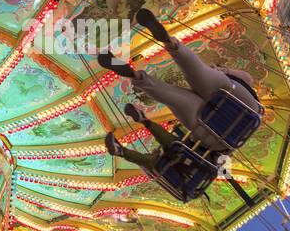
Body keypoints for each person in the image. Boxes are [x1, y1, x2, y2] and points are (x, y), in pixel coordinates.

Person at [97, 8, 262, 153]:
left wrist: (220, 70)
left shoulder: (240, 81)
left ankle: (170, 43)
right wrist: (222, 71)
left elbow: (244, 78)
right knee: (174, 97)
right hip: (218, 136)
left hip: (242, 109)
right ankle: (136, 76)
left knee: (199, 72)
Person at [103, 103, 182, 173]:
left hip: (172, 166)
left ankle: (144, 121)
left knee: (155, 159)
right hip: (176, 162)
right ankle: (121, 151)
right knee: (170, 145)